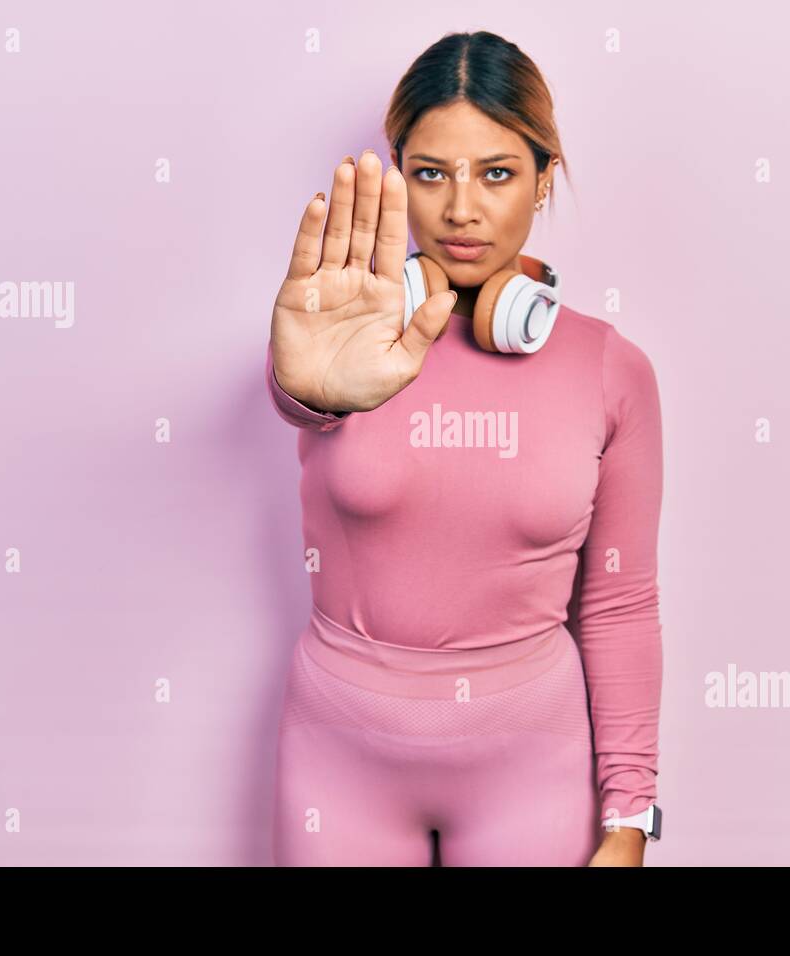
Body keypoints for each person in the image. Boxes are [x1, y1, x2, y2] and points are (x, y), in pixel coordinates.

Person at [266, 30, 663, 866]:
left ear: (543, 176)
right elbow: (297, 400)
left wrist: (629, 815)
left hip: (531, 769)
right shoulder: (346, 344)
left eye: (497, 172)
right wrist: (306, 387)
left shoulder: (611, 371)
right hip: (339, 760)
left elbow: (621, 606)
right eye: (431, 173)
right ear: (399, 174)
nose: (460, 210)